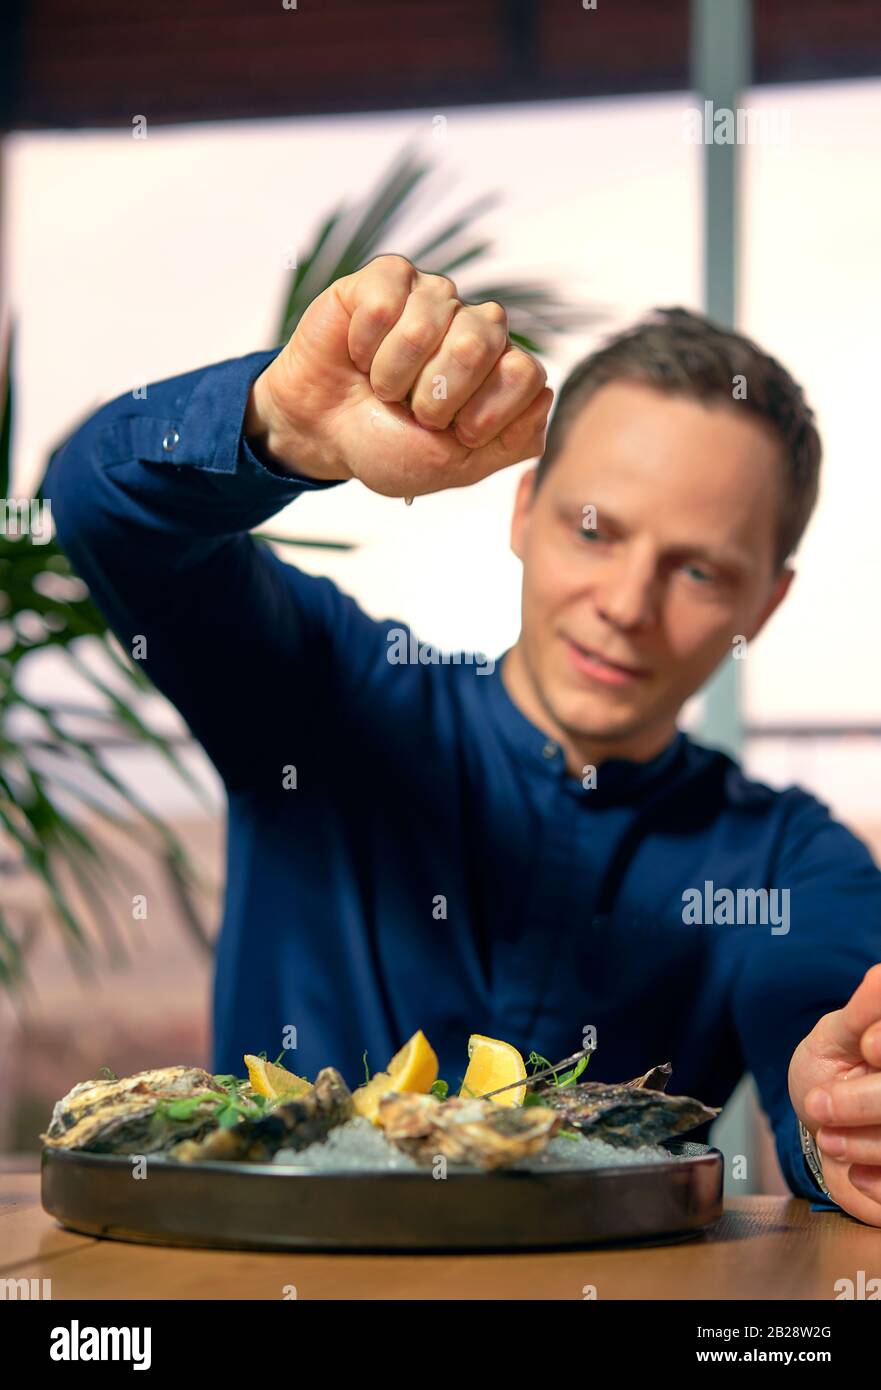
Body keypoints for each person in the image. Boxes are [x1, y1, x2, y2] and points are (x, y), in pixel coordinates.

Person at [46, 255, 881, 1225]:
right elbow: (100, 505)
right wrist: (281, 424)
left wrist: (843, 1124)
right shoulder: (326, 697)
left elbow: (822, 1033)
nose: (624, 606)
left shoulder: (783, 858)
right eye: (593, 529)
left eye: (696, 570)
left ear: (763, 603)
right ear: (524, 511)